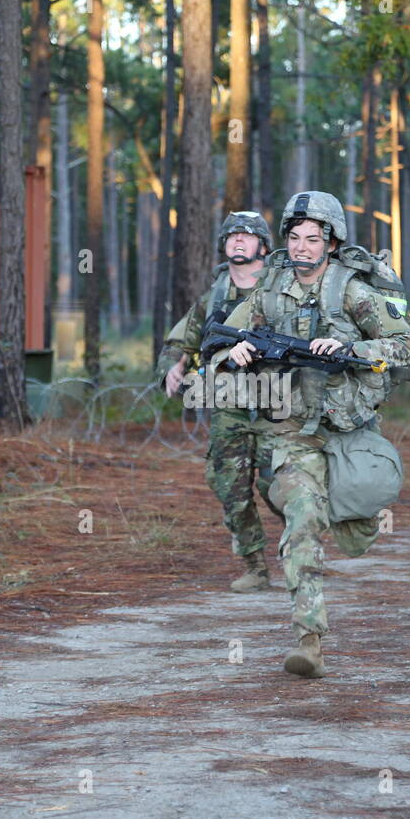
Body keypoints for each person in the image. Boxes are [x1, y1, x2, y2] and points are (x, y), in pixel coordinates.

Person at [218, 191, 410, 677]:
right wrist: (234, 353)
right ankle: (309, 641)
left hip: (349, 428)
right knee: (303, 519)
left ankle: (356, 516)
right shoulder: (269, 287)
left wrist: (351, 346)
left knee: (356, 524)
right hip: (291, 432)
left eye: (314, 238)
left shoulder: (352, 291)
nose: (303, 247)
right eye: (295, 237)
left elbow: (408, 352)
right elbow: (221, 338)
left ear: (331, 244)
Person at [155, 211, 278, 592]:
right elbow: (181, 339)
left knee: (281, 484)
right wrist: (171, 368)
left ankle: (301, 553)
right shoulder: (215, 295)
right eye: (232, 236)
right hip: (227, 401)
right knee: (230, 483)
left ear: (263, 245)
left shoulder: (282, 288)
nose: (239, 241)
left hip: (278, 400)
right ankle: (255, 566)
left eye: (248, 235)